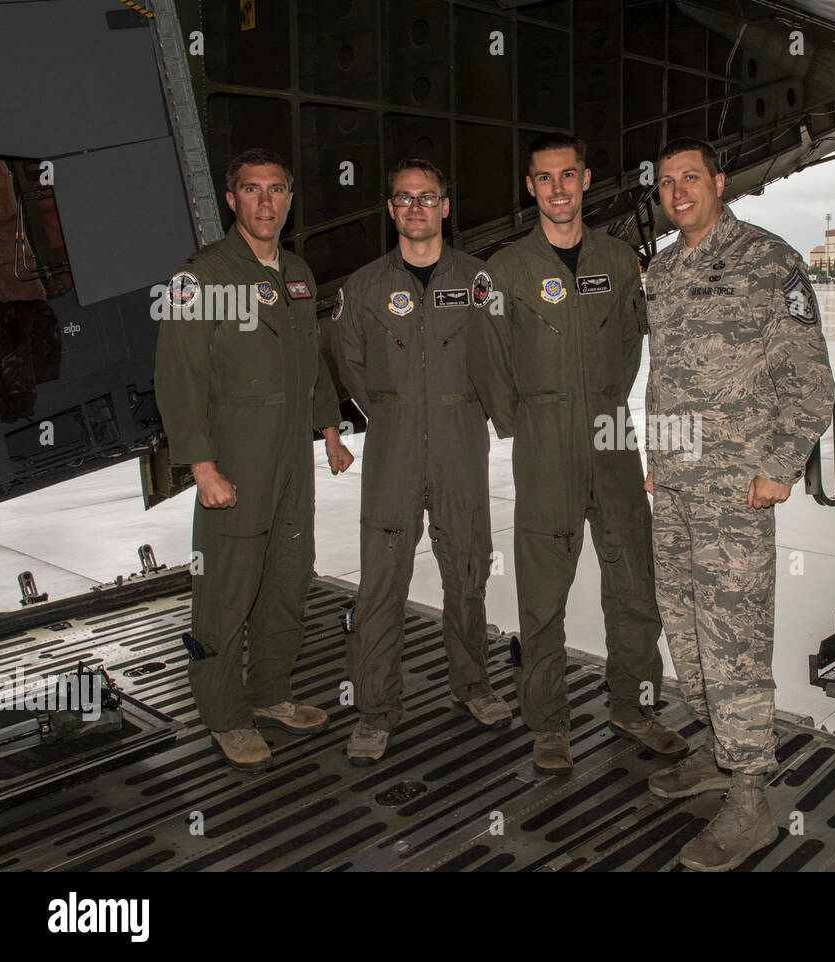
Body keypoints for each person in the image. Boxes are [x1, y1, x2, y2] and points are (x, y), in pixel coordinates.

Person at [643, 137, 834, 870]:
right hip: (678, 488)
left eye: (690, 177)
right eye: (666, 182)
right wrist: (659, 459)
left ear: (720, 182)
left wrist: (783, 465)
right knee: (684, 635)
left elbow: (811, 378)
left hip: (736, 492)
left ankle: (750, 794)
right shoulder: (661, 269)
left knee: (734, 645)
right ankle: (718, 754)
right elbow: (666, 375)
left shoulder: (769, 260)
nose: (678, 190)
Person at [468, 133, 686, 774]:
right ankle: (549, 725)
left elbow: (633, 341)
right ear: (529, 187)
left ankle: (635, 706)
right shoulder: (499, 272)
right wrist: (522, 422)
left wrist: (612, 404)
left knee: (634, 584)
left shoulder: (620, 260)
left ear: (586, 180)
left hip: (612, 439)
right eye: (544, 178)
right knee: (542, 597)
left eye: (569, 175)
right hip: (543, 445)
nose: (558, 189)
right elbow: (486, 356)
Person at [155, 147, 354, 772]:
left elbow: (310, 355)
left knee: (288, 580)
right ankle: (225, 715)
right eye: (252, 190)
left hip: (292, 457)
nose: (266, 202)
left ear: (290, 198)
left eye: (276, 190)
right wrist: (201, 466)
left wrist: (330, 427)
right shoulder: (203, 277)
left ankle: (269, 694)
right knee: (226, 590)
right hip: (236, 459)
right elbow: (177, 377)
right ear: (231, 199)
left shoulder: (296, 272)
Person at [333, 158, 509, 765]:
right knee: (382, 580)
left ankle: (473, 685)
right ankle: (375, 711)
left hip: (462, 439)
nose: (416, 208)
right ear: (390, 209)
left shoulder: (481, 281)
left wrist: (472, 411)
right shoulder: (363, 287)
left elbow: (501, 356)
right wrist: (392, 409)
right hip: (394, 444)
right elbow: (349, 362)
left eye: (427, 198)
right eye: (404, 199)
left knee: (467, 571)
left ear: (445, 206)